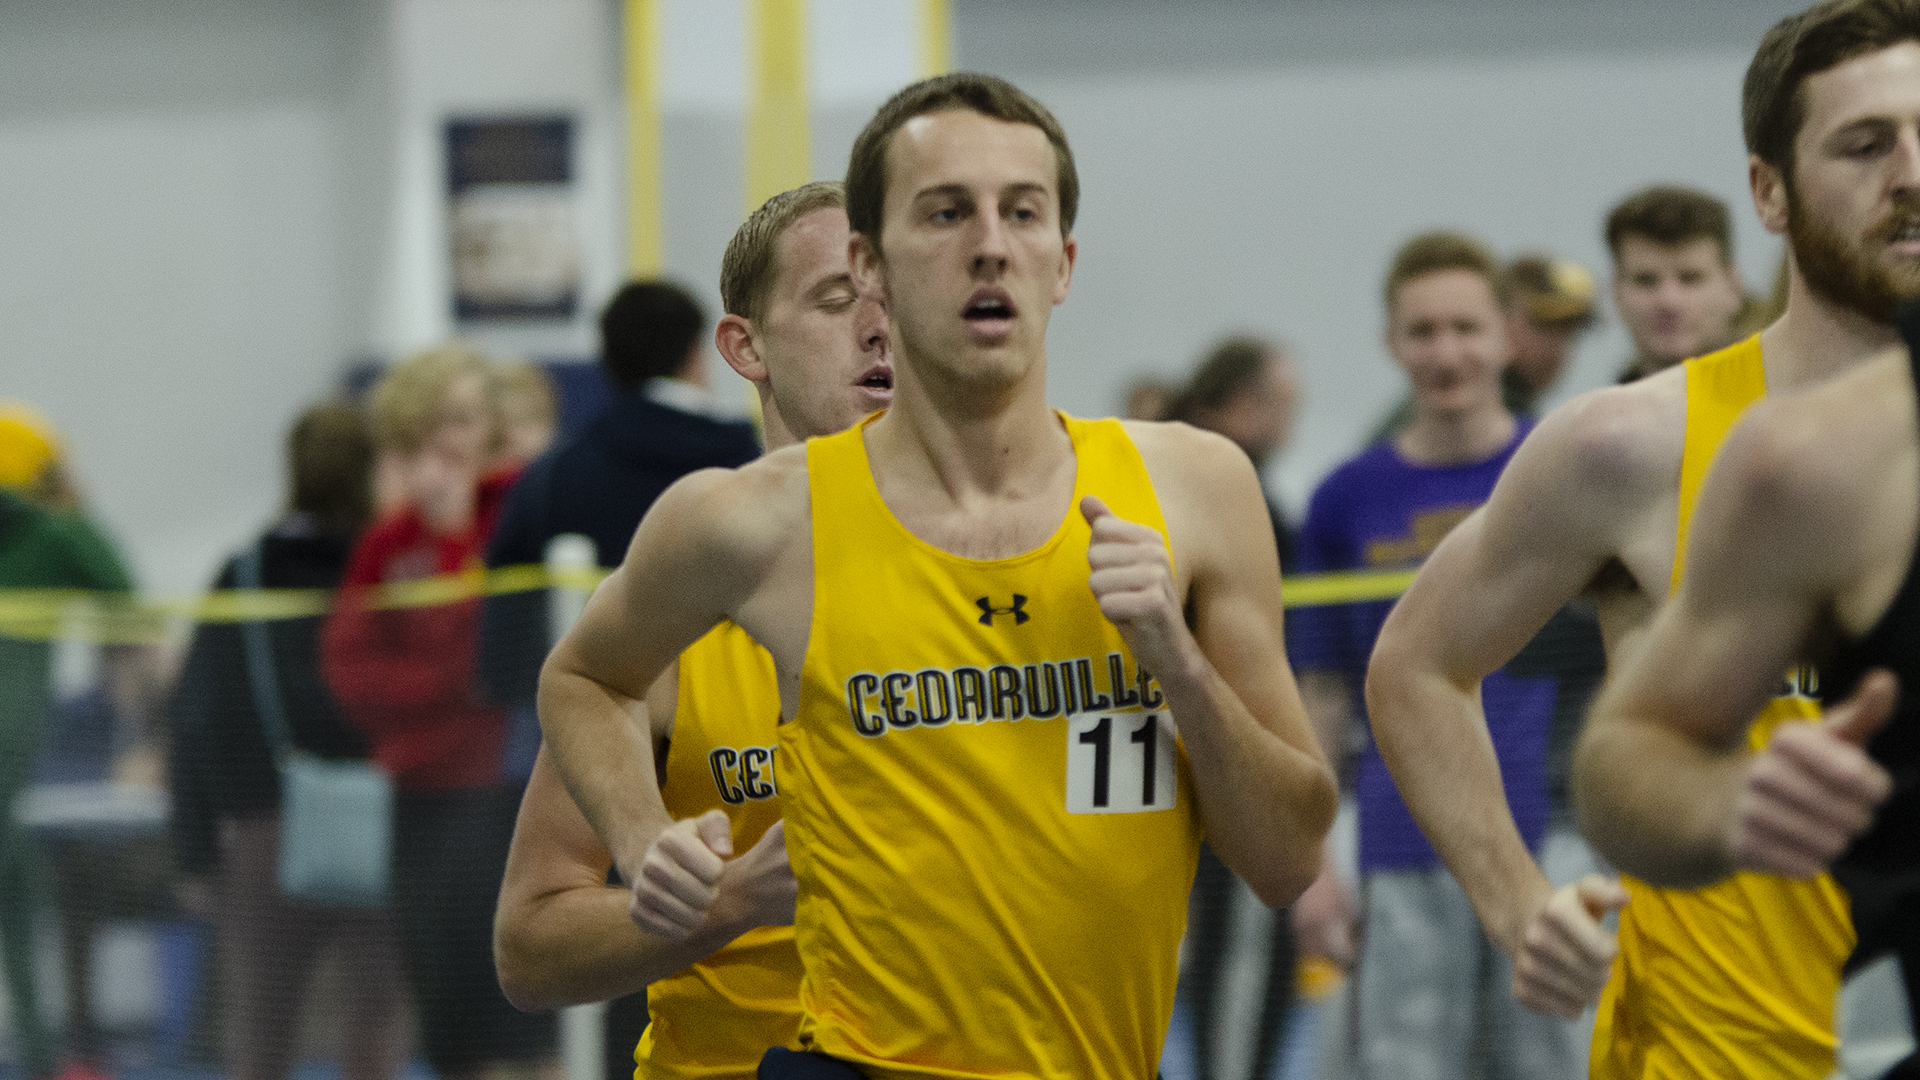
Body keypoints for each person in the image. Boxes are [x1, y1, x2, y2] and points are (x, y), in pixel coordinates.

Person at [536, 72, 1336, 1079]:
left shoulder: (1193, 488)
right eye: (947, 212)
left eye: (1024, 212)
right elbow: (581, 676)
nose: (990, 243)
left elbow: (1287, 859)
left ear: (1064, 261)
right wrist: (648, 842)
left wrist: (1175, 661)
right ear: (874, 264)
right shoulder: (747, 524)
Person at [1365, 3, 1920, 1074]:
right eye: (1864, 143)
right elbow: (1416, 666)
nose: (1911, 172)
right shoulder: (1637, 445)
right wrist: (1518, 904)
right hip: (1717, 1056)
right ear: (1768, 190)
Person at [494, 179, 889, 1076]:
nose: (880, 327)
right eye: (839, 298)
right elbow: (530, 942)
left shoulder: (1009, 578)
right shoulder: (677, 616)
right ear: (743, 347)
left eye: (899, 298)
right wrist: (728, 899)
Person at [1289, 231, 1583, 1080]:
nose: (1446, 351)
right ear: (1392, 343)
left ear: (1505, 335)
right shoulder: (1346, 499)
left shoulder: (1566, 470)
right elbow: (1323, 693)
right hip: (1401, 842)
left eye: (1465, 327)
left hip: (1554, 842)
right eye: (1423, 331)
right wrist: (1314, 871)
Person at [478, 279, 762, 1080]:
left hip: (579, 777)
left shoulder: (558, 476)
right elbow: (530, 948)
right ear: (709, 353)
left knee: (616, 978)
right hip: (676, 783)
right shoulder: (753, 480)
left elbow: (499, 660)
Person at [321, 345, 558, 1080]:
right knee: (447, 1018)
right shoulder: (390, 542)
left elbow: (484, 664)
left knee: (524, 1023)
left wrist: (457, 540)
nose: (448, 442)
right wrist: (432, 701)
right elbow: (349, 670)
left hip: (510, 799)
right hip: (420, 797)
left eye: (462, 420)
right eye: (431, 426)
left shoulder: (519, 511)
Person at [168, 401, 408, 1080]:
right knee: (375, 1018)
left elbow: (194, 719)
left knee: (262, 1031)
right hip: (380, 823)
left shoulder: (242, 578)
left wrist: (193, 851)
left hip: (263, 833)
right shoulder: (393, 575)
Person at [1161, 335, 1305, 1080]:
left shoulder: (1186, 478)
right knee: (1237, 961)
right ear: (1240, 404)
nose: (1291, 421)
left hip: (1190, 768)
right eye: (1282, 405)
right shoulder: (1225, 494)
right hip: (1211, 770)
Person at [0, 404, 137, 1080]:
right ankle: (40, 1053)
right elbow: (122, 591)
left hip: (13, 768)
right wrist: (72, 502)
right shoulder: (56, 534)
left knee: (23, 902)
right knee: (22, 905)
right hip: (11, 759)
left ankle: (41, 1052)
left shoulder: (50, 537)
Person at [1367, 252, 1597, 441]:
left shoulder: (1518, 413)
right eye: (1544, 325)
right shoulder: (1480, 410)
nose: (1558, 345)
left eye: (1570, 329)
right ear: (1502, 324)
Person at [1606, 185, 1748, 382]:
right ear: (1615, 294)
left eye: (1690, 278)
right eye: (1646, 281)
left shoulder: (1786, 403)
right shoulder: (1600, 411)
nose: (1669, 301)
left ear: (1733, 288)